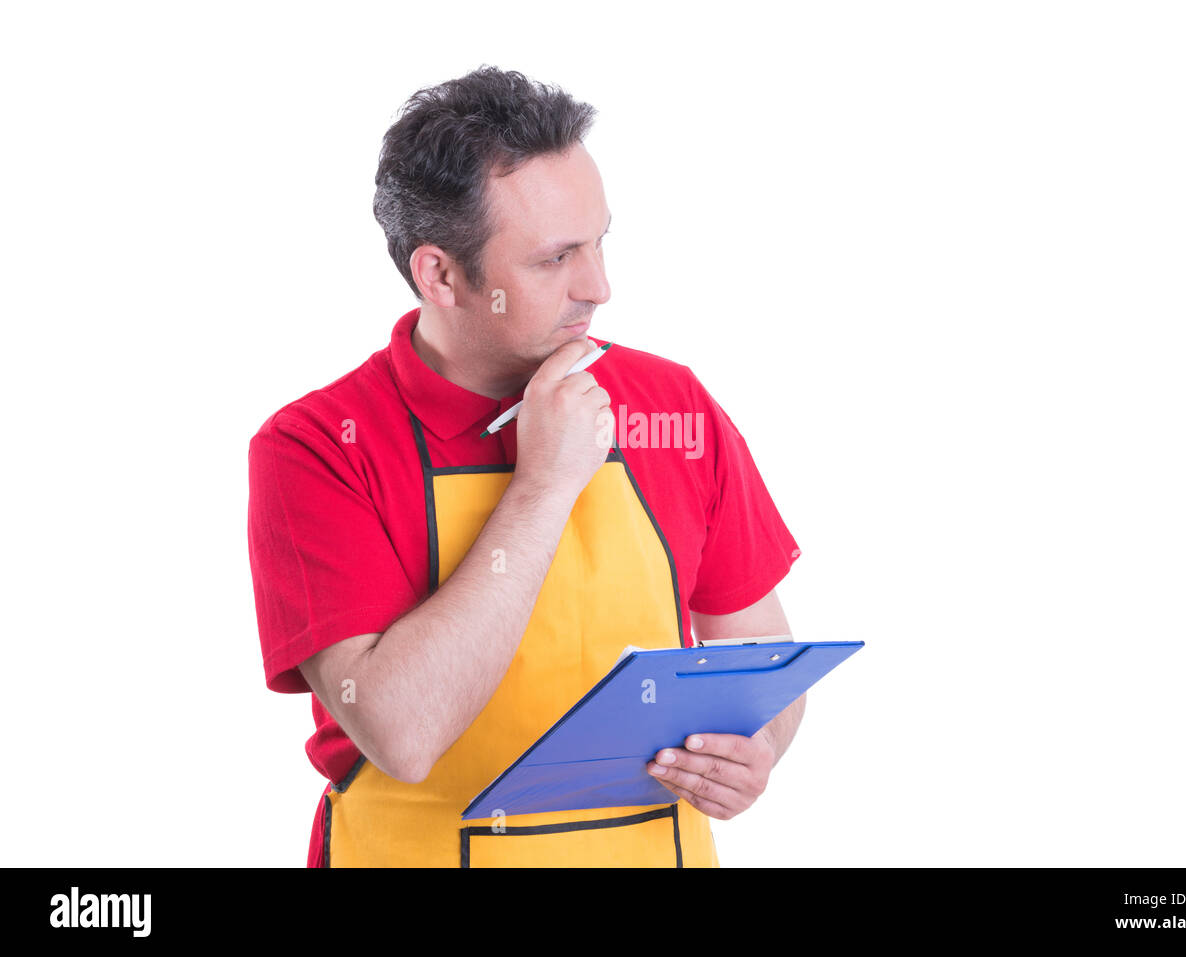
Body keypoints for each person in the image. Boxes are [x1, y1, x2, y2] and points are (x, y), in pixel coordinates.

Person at [246, 66, 805, 867]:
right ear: (439, 273)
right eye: (555, 259)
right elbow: (402, 732)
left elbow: (762, 665)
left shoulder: (670, 404)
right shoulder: (318, 448)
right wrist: (543, 484)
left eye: (602, 239)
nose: (600, 286)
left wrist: (756, 749)